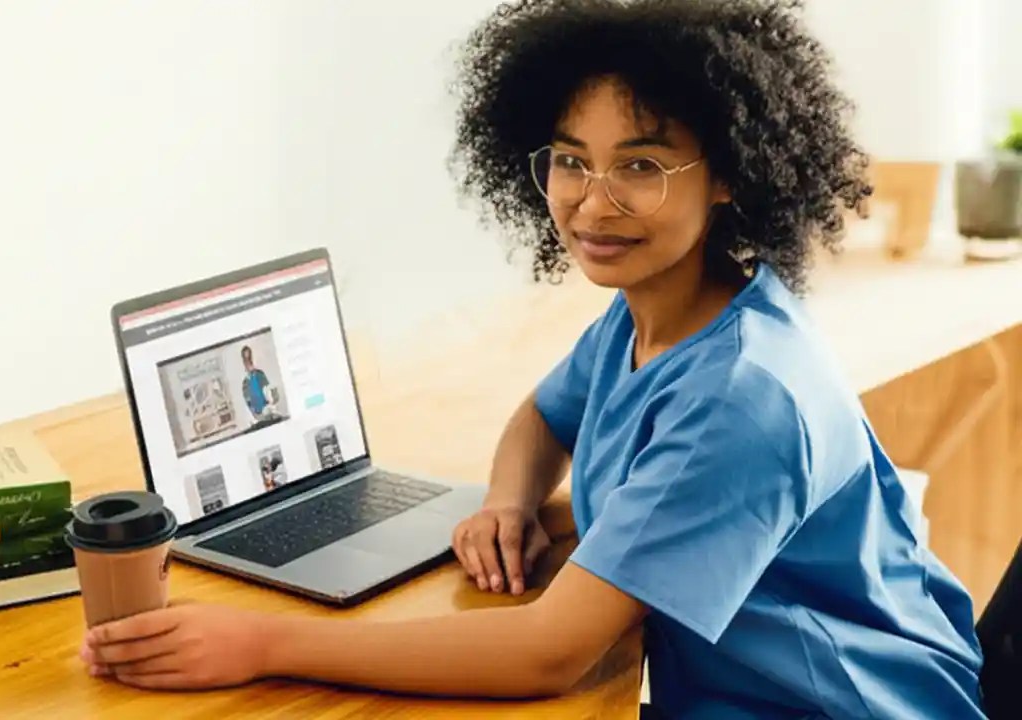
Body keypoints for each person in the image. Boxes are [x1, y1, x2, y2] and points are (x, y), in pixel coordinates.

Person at [78, 1, 987, 716]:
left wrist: (259, 644)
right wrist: (511, 504)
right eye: (568, 160)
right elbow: (542, 418)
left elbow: (549, 654)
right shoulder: (661, 312)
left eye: (640, 167)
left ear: (729, 175)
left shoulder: (743, 395)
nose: (591, 205)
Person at [238, 345, 270, 420]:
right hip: (256, 410)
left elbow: (267, 388)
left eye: (249, 357)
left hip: (265, 406)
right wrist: (252, 411)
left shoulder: (260, 374)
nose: (248, 361)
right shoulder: (245, 381)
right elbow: (247, 398)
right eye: (245, 359)